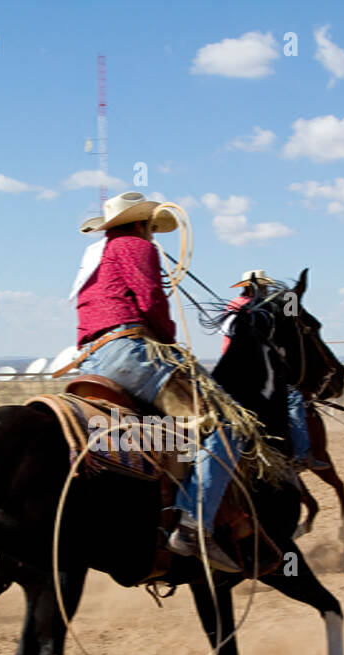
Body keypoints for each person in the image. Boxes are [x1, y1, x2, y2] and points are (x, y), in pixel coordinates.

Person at [71, 191, 243, 573]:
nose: (153, 236)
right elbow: (150, 300)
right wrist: (169, 342)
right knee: (223, 425)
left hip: (91, 357)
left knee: (165, 428)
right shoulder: (135, 246)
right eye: (151, 228)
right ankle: (194, 526)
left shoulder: (95, 256)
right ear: (140, 224)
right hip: (129, 351)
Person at [223, 270, 328, 471]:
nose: (266, 289)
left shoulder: (235, 305)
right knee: (294, 398)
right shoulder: (256, 308)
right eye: (264, 286)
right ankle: (301, 454)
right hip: (251, 366)